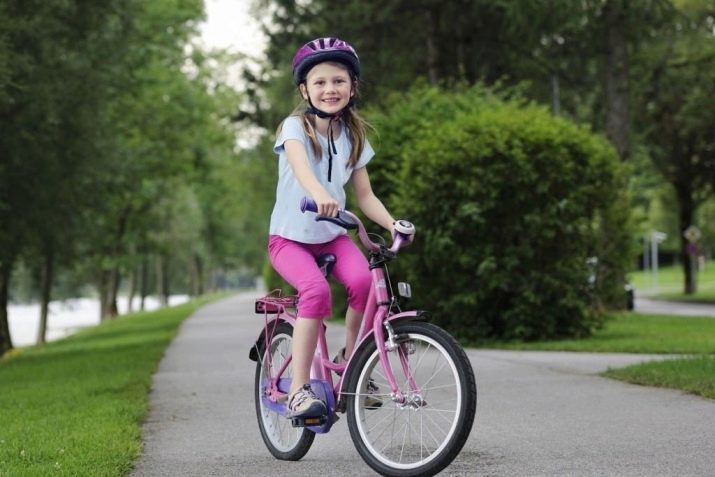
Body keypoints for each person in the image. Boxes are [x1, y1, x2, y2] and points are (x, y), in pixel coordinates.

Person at [268, 37, 397, 418]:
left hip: (332, 235)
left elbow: (366, 196)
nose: (330, 89)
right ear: (305, 89)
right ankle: (300, 390)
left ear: (352, 87)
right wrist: (319, 193)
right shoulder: (294, 128)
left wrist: (393, 224)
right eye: (320, 82)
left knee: (365, 284)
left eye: (338, 81)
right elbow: (301, 167)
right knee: (316, 292)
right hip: (289, 240)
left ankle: (350, 360)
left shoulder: (354, 136)